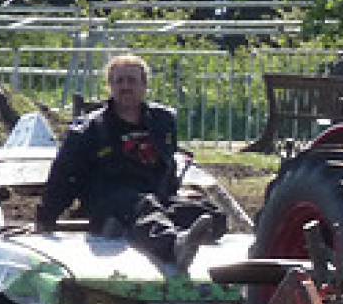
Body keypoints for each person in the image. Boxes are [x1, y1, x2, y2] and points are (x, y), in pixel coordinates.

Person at [35, 54, 225, 268]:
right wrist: (46, 217)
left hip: (157, 197)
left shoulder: (163, 121)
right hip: (110, 200)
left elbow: (168, 164)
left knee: (212, 215)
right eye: (119, 81)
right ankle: (173, 246)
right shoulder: (90, 129)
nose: (125, 86)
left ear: (145, 85)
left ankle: (132, 229)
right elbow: (64, 175)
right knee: (144, 207)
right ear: (110, 86)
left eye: (132, 80)